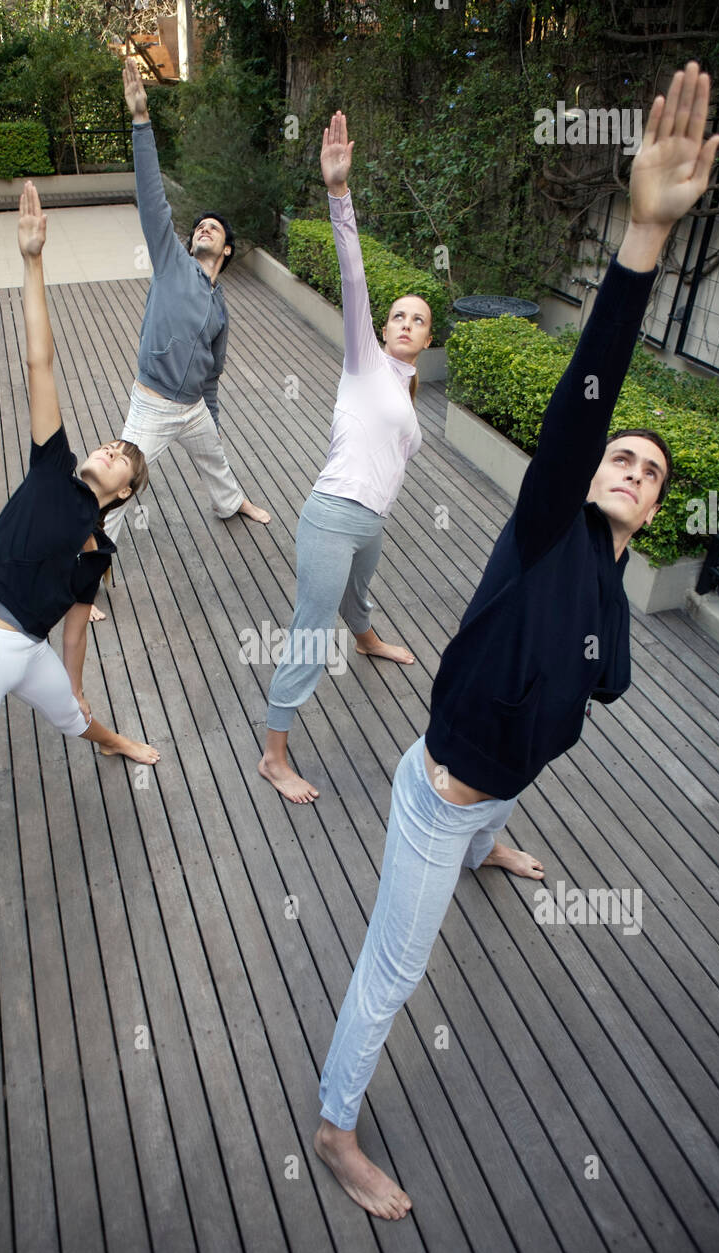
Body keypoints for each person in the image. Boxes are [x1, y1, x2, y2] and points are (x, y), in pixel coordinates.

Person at [314, 63, 719, 1219]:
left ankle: (492, 840)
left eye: (649, 471)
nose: (630, 468)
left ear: (650, 511)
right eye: (620, 457)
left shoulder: (605, 577)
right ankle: (333, 1123)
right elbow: (588, 396)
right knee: (393, 970)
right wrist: (641, 236)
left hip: (494, 788)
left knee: (500, 797)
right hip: (439, 793)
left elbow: (570, 697)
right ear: (586, 474)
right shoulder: (548, 529)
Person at [0, 179, 160, 983]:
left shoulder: (97, 547)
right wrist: (32, 261)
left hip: (27, 652)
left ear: (123, 491)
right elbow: (39, 357)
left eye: (123, 455)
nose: (108, 449)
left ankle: (110, 736)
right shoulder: (52, 466)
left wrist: (77, 687)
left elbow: (79, 621)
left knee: (69, 713)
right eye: (111, 443)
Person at [258, 111, 430, 803]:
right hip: (331, 515)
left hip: (370, 521)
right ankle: (274, 755)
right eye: (399, 316)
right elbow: (353, 277)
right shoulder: (365, 361)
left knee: (357, 598)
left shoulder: (408, 385)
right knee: (308, 629)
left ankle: (365, 639)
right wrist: (338, 194)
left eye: (420, 319)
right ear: (382, 329)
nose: (409, 323)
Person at [88, 57, 270, 622]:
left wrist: (209, 416)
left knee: (215, 457)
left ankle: (228, 501)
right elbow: (152, 200)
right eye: (200, 226)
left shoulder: (221, 307)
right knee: (117, 495)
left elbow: (214, 373)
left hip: (193, 408)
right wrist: (141, 121)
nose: (202, 229)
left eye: (214, 228)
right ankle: (84, 582)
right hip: (152, 406)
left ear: (229, 251)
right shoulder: (171, 263)